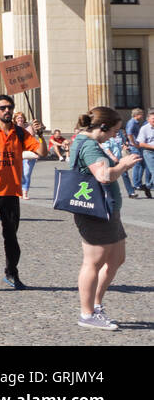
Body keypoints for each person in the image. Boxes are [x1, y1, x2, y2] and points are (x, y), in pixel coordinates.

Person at [69, 107, 142, 329]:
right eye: (114, 131)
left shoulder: (89, 142)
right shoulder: (89, 145)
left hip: (107, 210)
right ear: (103, 127)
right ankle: (87, 313)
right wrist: (123, 165)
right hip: (95, 211)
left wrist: (115, 159)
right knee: (93, 262)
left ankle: (96, 304)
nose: (115, 135)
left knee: (117, 258)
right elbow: (103, 176)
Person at [0, 94, 43, 290]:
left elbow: (42, 152)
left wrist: (40, 134)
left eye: (10, 107)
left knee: (11, 238)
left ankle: (12, 274)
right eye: (3, 108)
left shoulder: (20, 133)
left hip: (11, 193)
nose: (7, 111)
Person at [135, 110, 154, 199]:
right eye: (153, 119)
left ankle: (147, 186)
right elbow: (141, 143)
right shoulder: (144, 128)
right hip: (149, 152)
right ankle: (148, 186)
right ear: (149, 119)